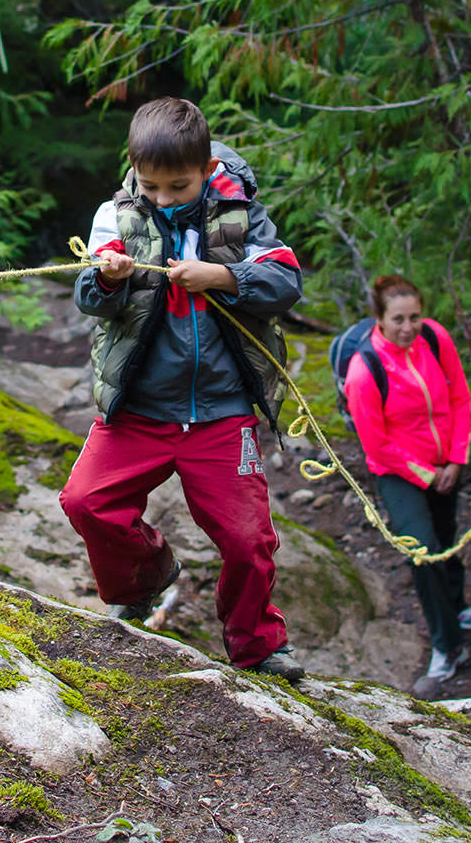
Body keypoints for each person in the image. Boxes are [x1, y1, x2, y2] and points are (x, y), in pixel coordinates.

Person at [59, 96, 307, 682]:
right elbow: (88, 299)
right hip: (138, 409)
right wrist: (107, 277)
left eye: (179, 186)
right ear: (134, 171)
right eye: (152, 186)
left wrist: (224, 276)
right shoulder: (114, 216)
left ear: (206, 169)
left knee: (247, 539)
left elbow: (285, 279)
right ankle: (146, 578)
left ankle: (257, 644)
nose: (164, 197)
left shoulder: (242, 215)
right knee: (86, 502)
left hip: (220, 413)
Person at [342, 275, 471, 685]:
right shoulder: (364, 371)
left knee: (445, 535)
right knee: (423, 550)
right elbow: (376, 445)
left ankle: (456, 605)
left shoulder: (436, 339)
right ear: (379, 319)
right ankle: (447, 645)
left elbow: (460, 396)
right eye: (398, 320)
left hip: (446, 460)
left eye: (415, 317)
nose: (408, 327)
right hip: (398, 471)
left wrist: (456, 460)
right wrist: (428, 474)